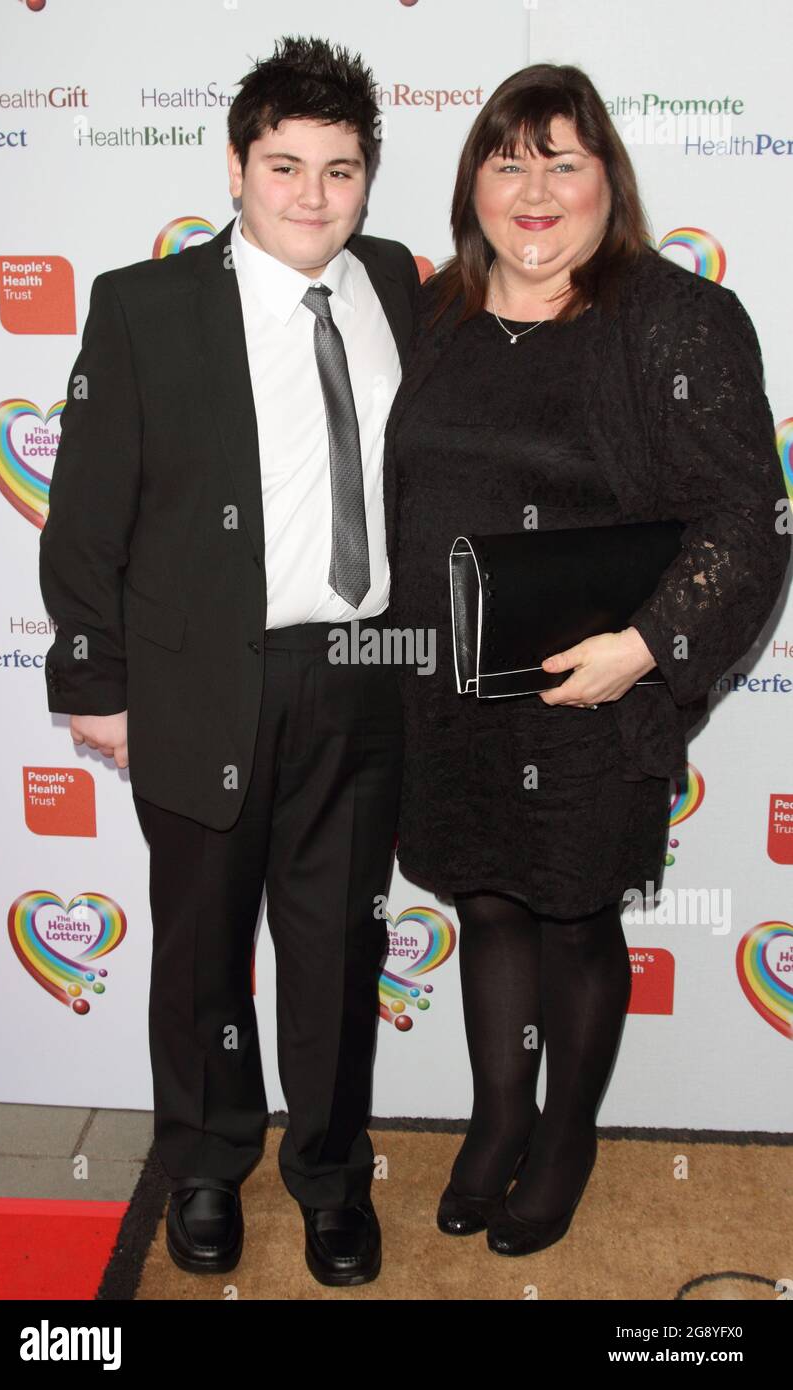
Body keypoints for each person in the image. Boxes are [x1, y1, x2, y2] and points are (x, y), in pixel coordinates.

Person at [383, 63, 791, 1256]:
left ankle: (565, 1135)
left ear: (609, 178)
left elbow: (746, 519)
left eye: (563, 161)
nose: (535, 189)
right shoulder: (435, 314)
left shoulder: (675, 319)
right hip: (451, 691)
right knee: (487, 898)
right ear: (471, 183)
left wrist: (646, 648)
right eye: (507, 161)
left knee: (570, 915)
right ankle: (498, 1119)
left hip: (593, 693)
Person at [39, 35, 421, 1288]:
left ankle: (330, 1175)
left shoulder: (393, 282)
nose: (313, 195)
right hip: (202, 683)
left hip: (361, 676)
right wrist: (94, 683)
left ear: (368, 178)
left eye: (340, 170)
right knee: (203, 949)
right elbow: (86, 514)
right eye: (284, 166)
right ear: (236, 166)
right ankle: (204, 1164)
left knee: (339, 950)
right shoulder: (145, 306)